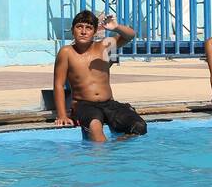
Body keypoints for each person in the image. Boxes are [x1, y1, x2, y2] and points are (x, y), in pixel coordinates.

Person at [52, 10, 145, 141]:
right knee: (95, 127)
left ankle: (115, 147)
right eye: (79, 27)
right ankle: (104, 158)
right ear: (72, 30)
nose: (83, 32)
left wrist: (116, 27)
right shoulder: (66, 52)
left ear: (95, 32)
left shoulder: (105, 45)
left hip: (109, 104)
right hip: (84, 105)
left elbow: (130, 35)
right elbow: (58, 84)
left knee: (139, 126)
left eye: (88, 28)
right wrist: (62, 115)